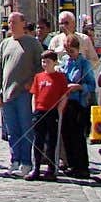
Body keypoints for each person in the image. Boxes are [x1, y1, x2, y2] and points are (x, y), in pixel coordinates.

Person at [0, 12, 42, 177]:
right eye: (9, 22)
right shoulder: (5, 44)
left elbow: (40, 67)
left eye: (14, 22)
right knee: (12, 130)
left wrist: (31, 83)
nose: (11, 25)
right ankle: (14, 159)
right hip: (7, 94)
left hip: (24, 93)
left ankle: (26, 162)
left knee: (26, 128)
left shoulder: (32, 43)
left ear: (23, 23)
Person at [29, 50, 68, 181]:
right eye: (43, 62)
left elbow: (64, 95)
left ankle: (51, 169)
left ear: (55, 62)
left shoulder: (60, 77)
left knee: (52, 141)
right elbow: (34, 94)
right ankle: (36, 167)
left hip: (52, 112)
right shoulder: (38, 77)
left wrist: (59, 110)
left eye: (48, 62)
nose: (45, 64)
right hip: (39, 111)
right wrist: (34, 110)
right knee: (38, 141)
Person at [59, 36, 94, 179]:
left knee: (78, 136)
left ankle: (82, 167)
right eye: (67, 51)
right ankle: (72, 164)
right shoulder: (65, 62)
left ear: (78, 49)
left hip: (79, 103)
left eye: (71, 51)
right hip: (66, 102)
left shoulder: (84, 63)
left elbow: (91, 84)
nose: (69, 54)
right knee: (66, 134)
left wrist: (79, 87)